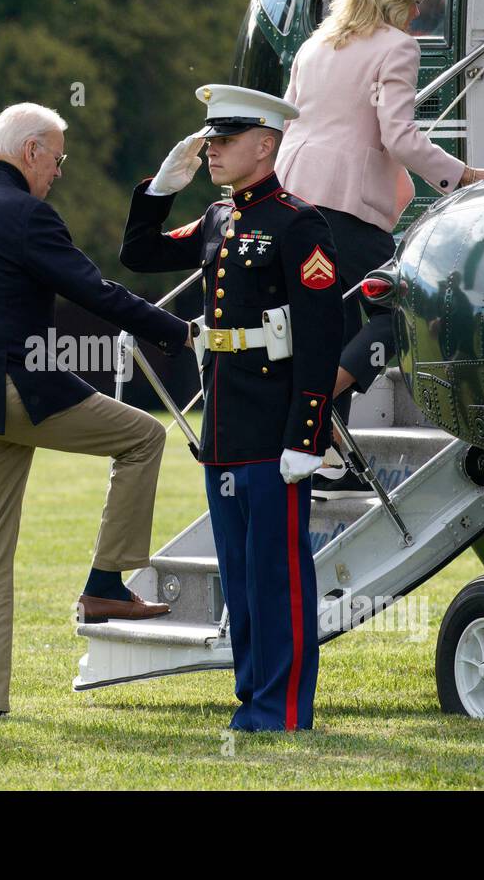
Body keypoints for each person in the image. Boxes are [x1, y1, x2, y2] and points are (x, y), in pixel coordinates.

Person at [0, 102, 192, 719]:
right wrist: (176, 332)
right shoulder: (27, 215)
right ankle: (104, 586)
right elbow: (96, 292)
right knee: (143, 437)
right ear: (31, 152)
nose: (60, 172)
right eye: (58, 158)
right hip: (16, 389)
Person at [122, 85, 343, 731]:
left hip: (274, 425)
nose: (211, 147)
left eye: (226, 138)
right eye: (209, 137)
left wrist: (306, 432)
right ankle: (253, 700)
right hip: (223, 423)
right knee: (241, 576)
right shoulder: (221, 219)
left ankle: (282, 709)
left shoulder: (299, 223)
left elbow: (321, 333)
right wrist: (160, 188)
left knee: (277, 577)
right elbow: (138, 253)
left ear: (266, 144)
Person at [274, 0, 484, 498]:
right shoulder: (397, 47)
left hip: (290, 196)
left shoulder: (315, 44)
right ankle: (313, 415)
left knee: (339, 324)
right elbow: (398, 136)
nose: (419, 14)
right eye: (416, 2)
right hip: (342, 205)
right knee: (401, 312)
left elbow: (289, 120)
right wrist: (464, 176)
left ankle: (331, 458)